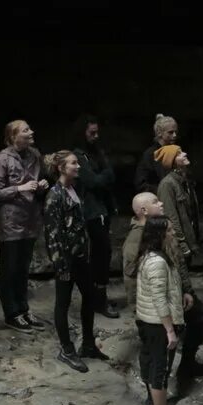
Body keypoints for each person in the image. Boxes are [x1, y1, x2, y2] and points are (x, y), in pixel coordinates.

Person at [130, 192, 203, 405]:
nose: (174, 235)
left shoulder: (160, 257)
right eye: (170, 232)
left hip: (153, 321)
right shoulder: (156, 262)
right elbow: (159, 300)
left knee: (158, 368)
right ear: (160, 235)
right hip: (156, 324)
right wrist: (170, 331)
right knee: (160, 370)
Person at [43, 150, 106, 372]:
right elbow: (53, 235)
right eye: (73, 163)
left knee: (89, 297)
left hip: (80, 256)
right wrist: (61, 265)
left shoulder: (73, 189)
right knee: (63, 303)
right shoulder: (54, 196)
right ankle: (66, 350)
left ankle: (88, 343)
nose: (78, 166)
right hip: (66, 260)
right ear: (61, 168)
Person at [0, 119, 49, 332]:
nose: (31, 132)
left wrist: (41, 186)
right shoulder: (2, 160)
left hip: (30, 221)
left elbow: (35, 185)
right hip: (10, 223)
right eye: (25, 130)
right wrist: (19, 188)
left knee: (23, 269)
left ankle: (23, 310)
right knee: (10, 270)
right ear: (14, 136)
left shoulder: (34, 155)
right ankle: (11, 313)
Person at [74, 117, 120, 319]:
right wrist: (105, 176)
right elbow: (92, 181)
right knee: (100, 253)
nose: (96, 136)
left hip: (102, 209)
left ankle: (98, 297)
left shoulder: (97, 153)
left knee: (103, 254)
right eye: (91, 132)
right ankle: (96, 300)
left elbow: (110, 176)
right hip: (90, 212)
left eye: (97, 132)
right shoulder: (78, 155)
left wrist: (105, 176)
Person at [155, 145, 203, 269]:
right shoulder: (167, 185)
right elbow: (170, 217)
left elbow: (192, 214)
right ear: (172, 162)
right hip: (178, 244)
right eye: (178, 154)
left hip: (189, 240)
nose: (184, 154)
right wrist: (182, 244)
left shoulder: (185, 181)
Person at [133, 113, 181, 198]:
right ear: (159, 133)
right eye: (170, 132)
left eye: (176, 132)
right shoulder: (150, 154)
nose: (174, 135)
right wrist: (163, 192)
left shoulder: (176, 151)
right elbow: (141, 184)